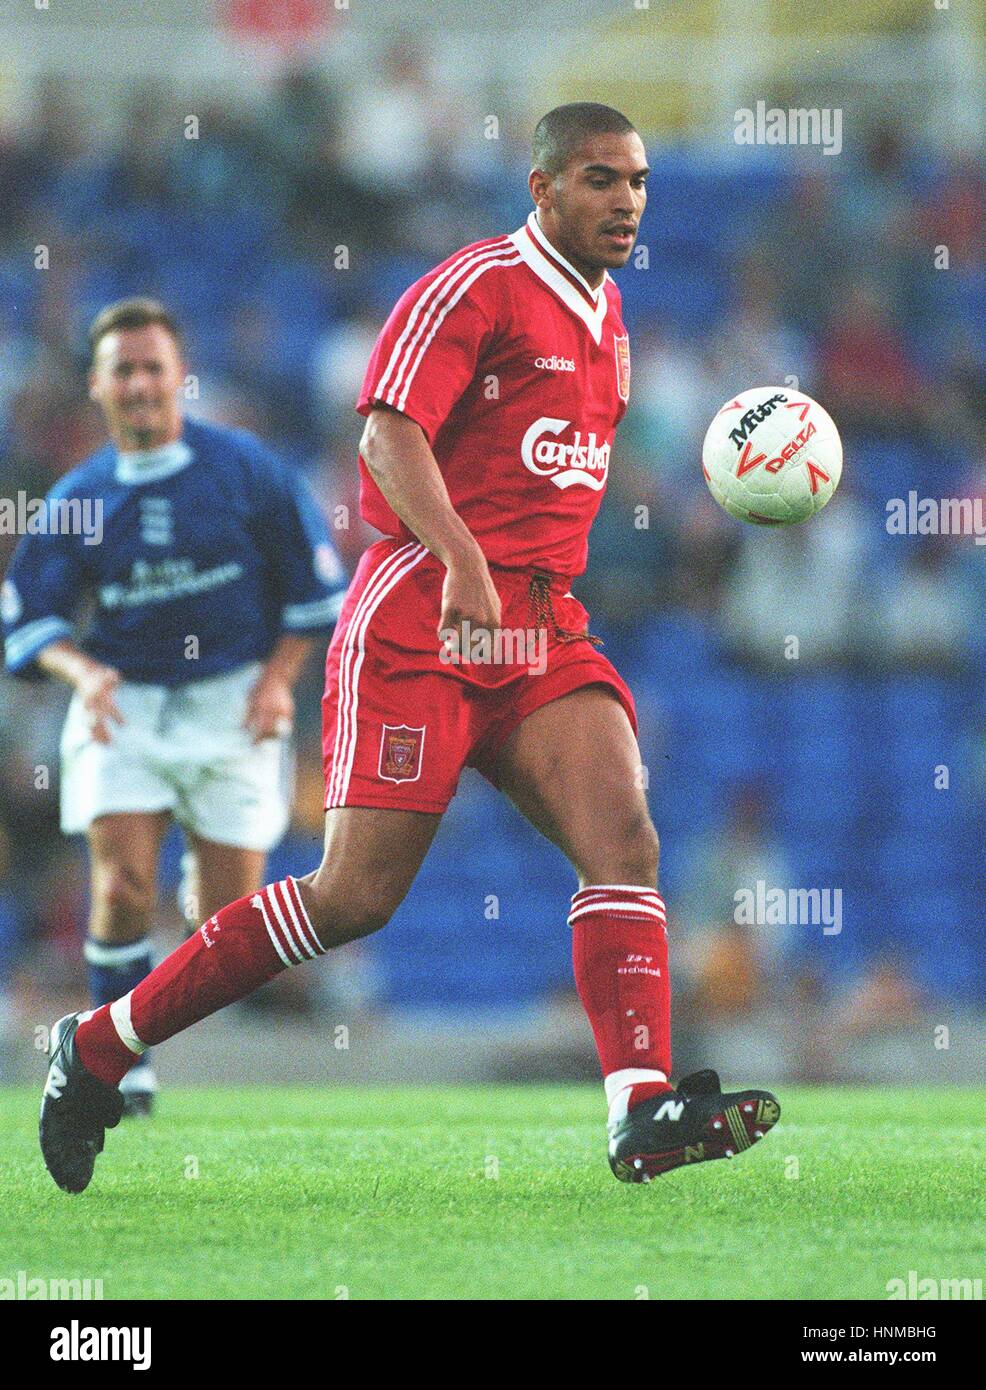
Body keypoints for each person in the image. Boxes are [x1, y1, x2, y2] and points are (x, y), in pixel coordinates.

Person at [38, 107, 779, 1191]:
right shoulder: (473, 286)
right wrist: (466, 563)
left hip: (538, 621)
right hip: (421, 613)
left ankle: (640, 1107)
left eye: (637, 181)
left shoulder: (611, 320)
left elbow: (549, 475)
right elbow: (386, 435)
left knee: (623, 839)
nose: (625, 200)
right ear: (540, 188)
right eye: (597, 179)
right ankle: (99, 1044)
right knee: (352, 898)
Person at [5, 297, 345, 1114]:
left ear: (179, 376)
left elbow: (315, 590)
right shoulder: (78, 496)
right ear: (98, 384)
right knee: (121, 885)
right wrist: (82, 675)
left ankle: (151, 985)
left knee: (228, 923)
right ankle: (119, 1063)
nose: (140, 383)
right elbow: (25, 617)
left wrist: (275, 680)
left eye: (153, 366)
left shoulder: (247, 471)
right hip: (125, 705)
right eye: (123, 369)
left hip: (233, 706)